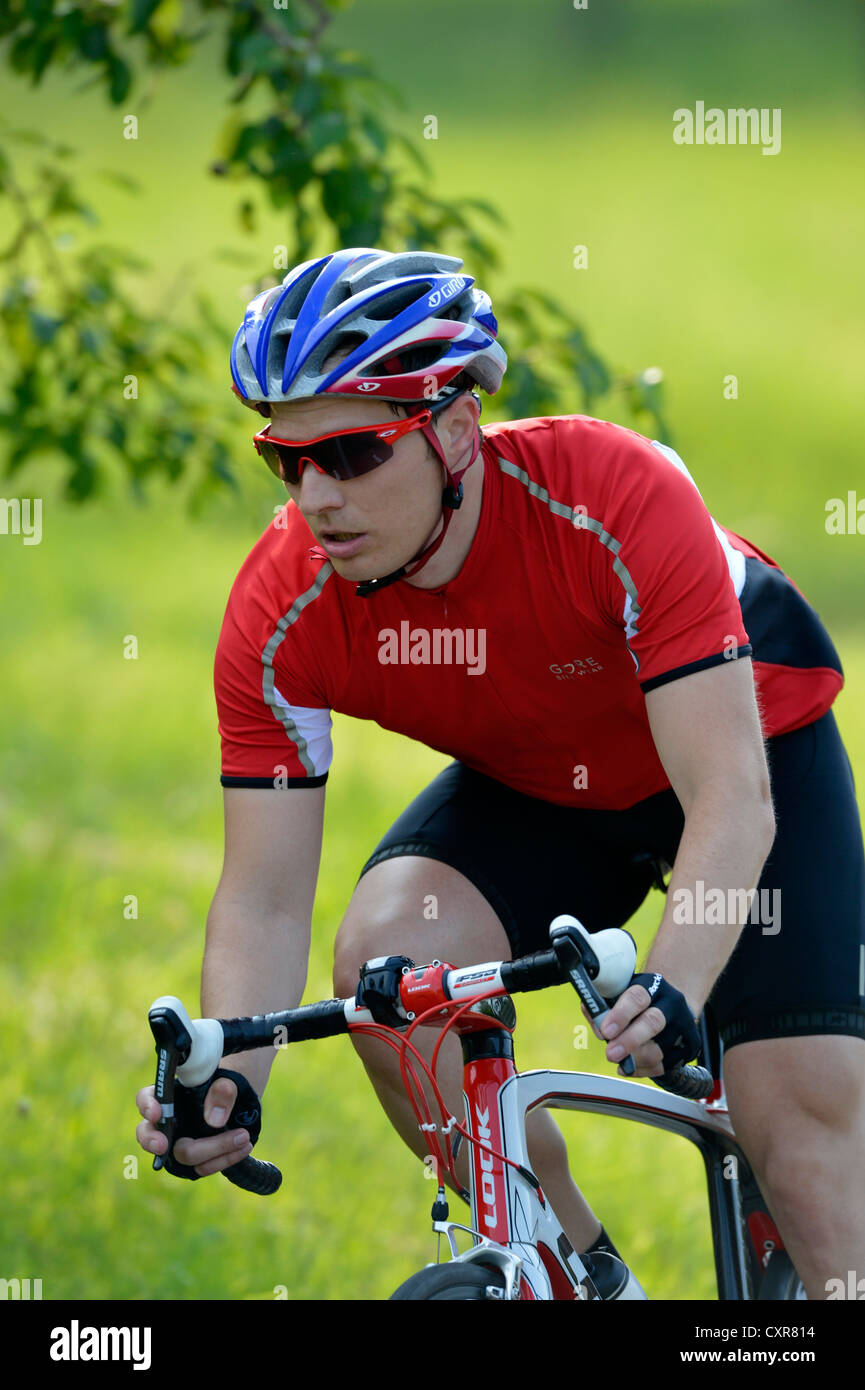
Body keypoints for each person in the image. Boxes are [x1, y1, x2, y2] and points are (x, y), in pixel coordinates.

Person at [136, 247, 865, 1300]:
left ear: (453, 428)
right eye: (283, 461)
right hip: (543, 785)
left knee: (795, 1126)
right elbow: (260, 897)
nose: (314, 498)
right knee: (392, 969)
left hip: (741, 759)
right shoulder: (280, 608)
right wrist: (229, 1082)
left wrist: (675, 984)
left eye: (348, 453)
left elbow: (731, 801)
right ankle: (576, 1271)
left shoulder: (613, 494)